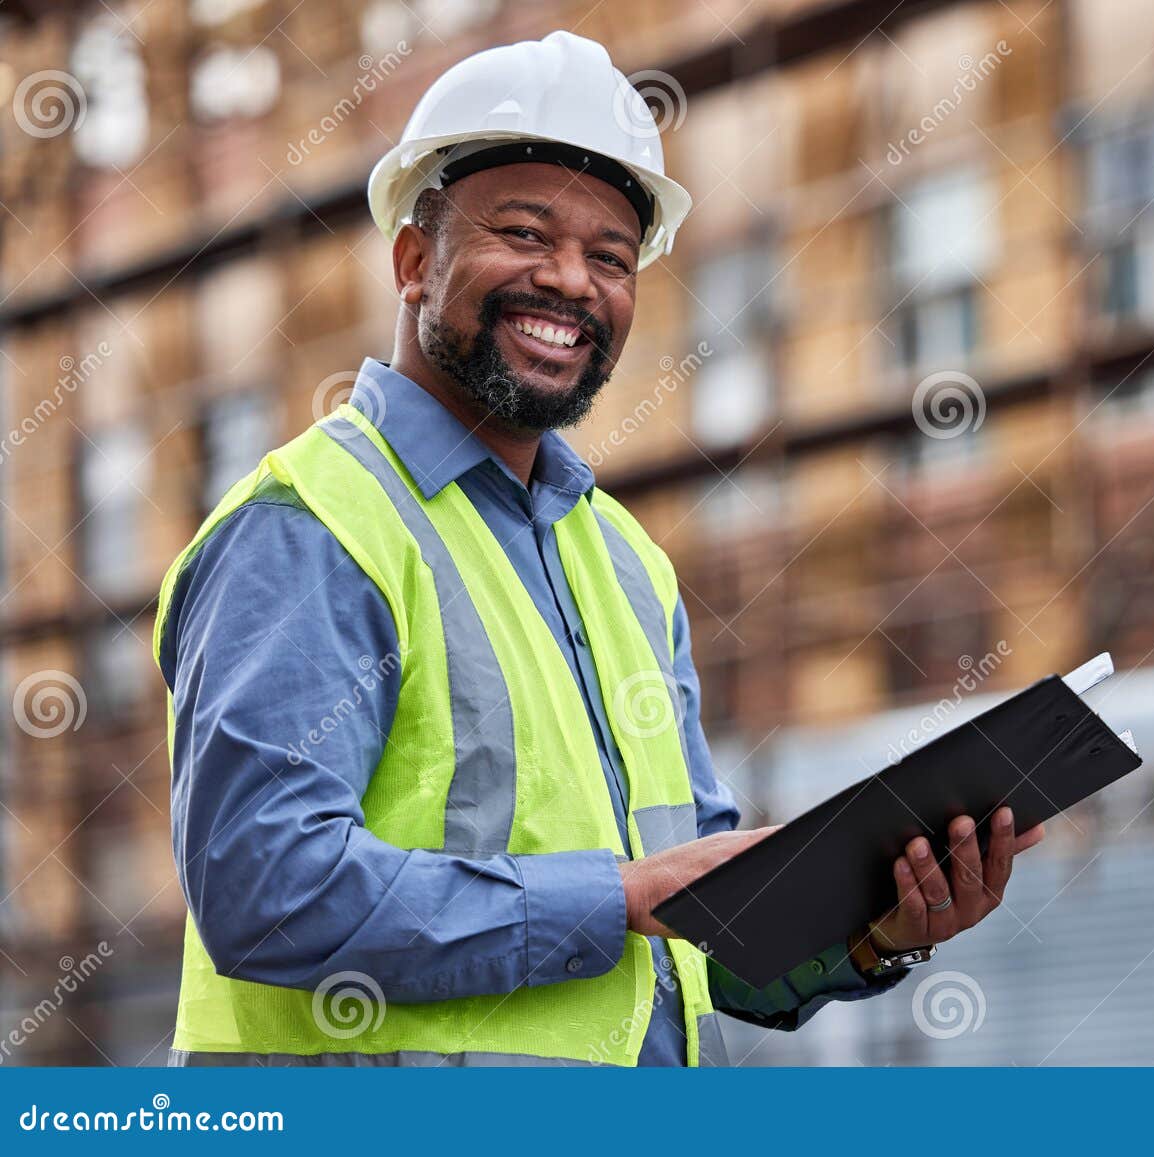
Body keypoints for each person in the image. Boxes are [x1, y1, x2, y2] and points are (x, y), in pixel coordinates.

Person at [155, 31, 1041, 1067]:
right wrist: (616, 896)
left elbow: (696, 934)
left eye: (610, 258)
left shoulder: (624, 561)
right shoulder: (311, 524)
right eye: (525, 233)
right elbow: (263, 887)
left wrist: (876, 928)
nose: (569, 281)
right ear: (412, 260)